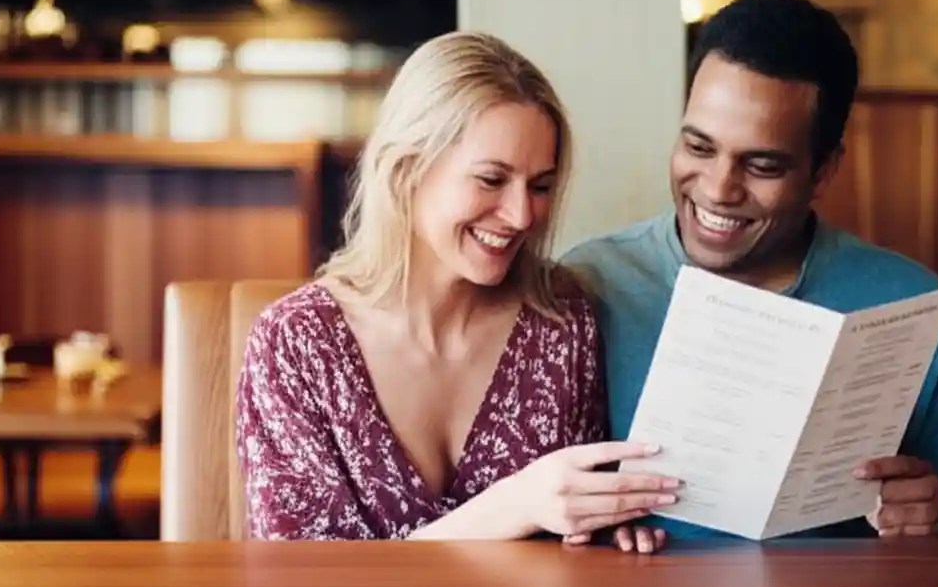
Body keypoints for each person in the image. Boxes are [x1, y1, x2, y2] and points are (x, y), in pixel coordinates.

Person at [562, 0, 938, 546]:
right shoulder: (585, 285)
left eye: (762, 164)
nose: (719, 189)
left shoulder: (911, 305)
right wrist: (592, 533)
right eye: (699, 147)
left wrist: (934, 528)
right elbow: (535, 519)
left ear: (823, 172)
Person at [235, 31, 679, 550]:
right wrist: (510, 508)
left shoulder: (561, 326)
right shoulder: (296, 345)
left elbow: (571, 543)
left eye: (539, 186)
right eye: (491, 180)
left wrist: (610, 528)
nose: (521, 216)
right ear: (405, 170)